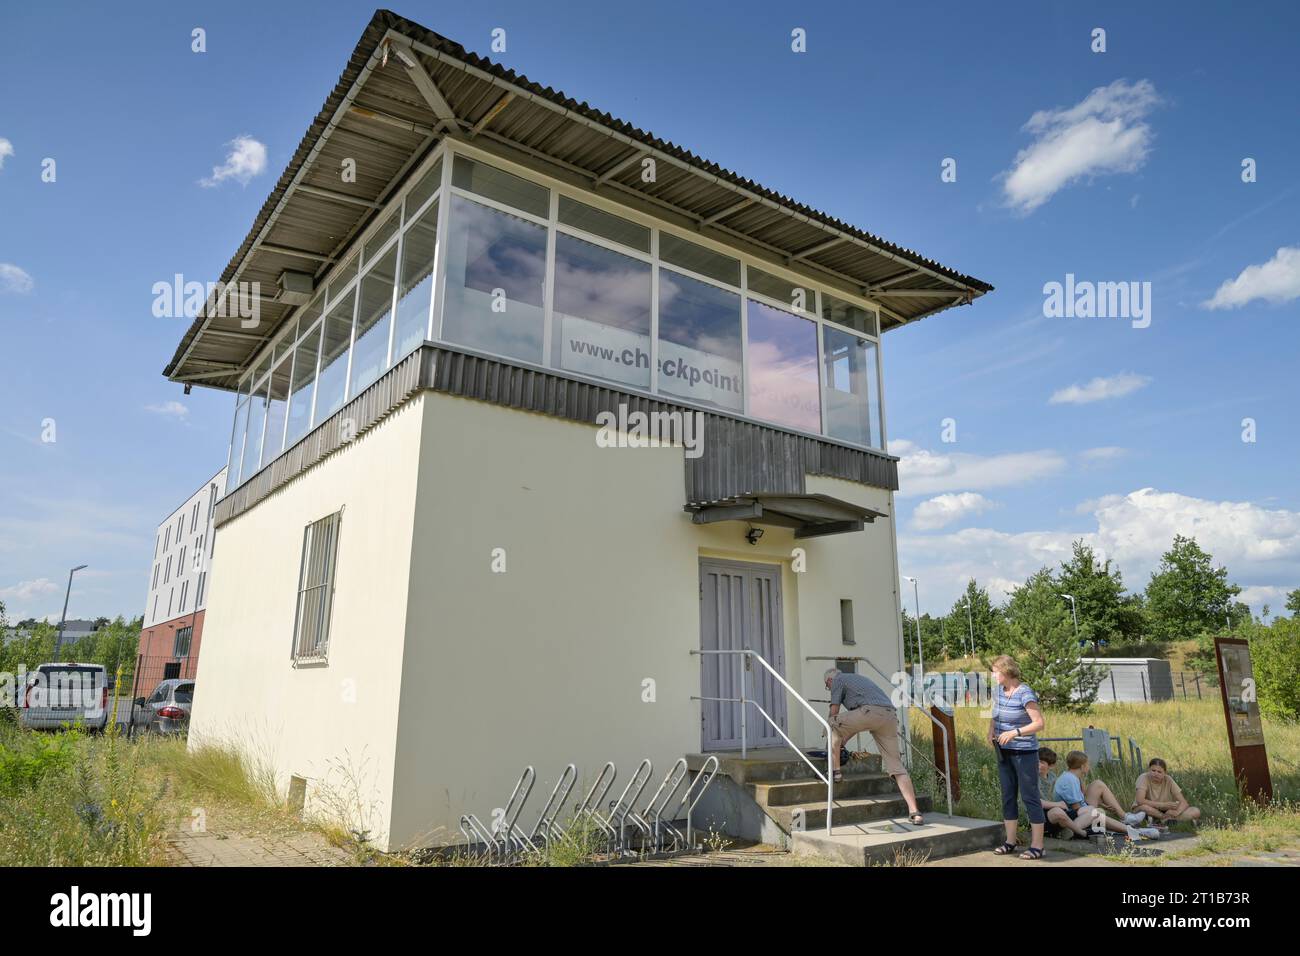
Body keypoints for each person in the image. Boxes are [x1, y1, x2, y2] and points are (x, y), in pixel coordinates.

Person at [823, 668, 924, 826]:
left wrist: (830, 731)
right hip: (889, 716)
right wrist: (842, 742)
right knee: (897, 767)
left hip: (870, 712)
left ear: (829, 680)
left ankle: (835, 772)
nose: (829, 688)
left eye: (827, 686)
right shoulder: (858, 680)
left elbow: (834, 711)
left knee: (831, 723)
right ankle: (915, 812)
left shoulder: (837, 680)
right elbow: (856, 723)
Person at [988, 655, 1047, 860]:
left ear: (1006, 672)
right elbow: (995, 715)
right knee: (1008, 796)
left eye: (995, 671)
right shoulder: (998, 692)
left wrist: (1015, 732)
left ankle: (1037, 846)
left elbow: (1039, 723)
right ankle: (1010, 842)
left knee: (1030, 797)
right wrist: (991, 731)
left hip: (1024, 753)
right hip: (1003, 752)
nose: (992, 675)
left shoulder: (1025, 692)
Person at [1043, 749, 1159, 843]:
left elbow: (1081, 799)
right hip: (1073, 817)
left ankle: (1126, 818)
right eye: (1087, 764)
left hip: (1080, 810)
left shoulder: (1074, 777)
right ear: (1082, 766)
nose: (1089, 766)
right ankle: (1136, 830)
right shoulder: (1069, 780)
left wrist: (1101, 803)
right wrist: (1096, 811)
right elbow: (1075, 808)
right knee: (1097, 813)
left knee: (1098, 784)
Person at [1133, 758, 1201, 827]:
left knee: (1195, 811)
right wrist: (1163, 805)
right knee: (1144, 807)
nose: (1156, 774)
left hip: (1165, 810)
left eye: (1159, 772)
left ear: (1165, 773)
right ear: (1148, 770)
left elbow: (1184, 803)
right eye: (1153, 770)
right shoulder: (1143, 778)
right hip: (1148, 809)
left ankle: (1163, 821)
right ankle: (1167, 820)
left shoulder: (1168, 779)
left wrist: (1176, 812)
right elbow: (1140, 801)